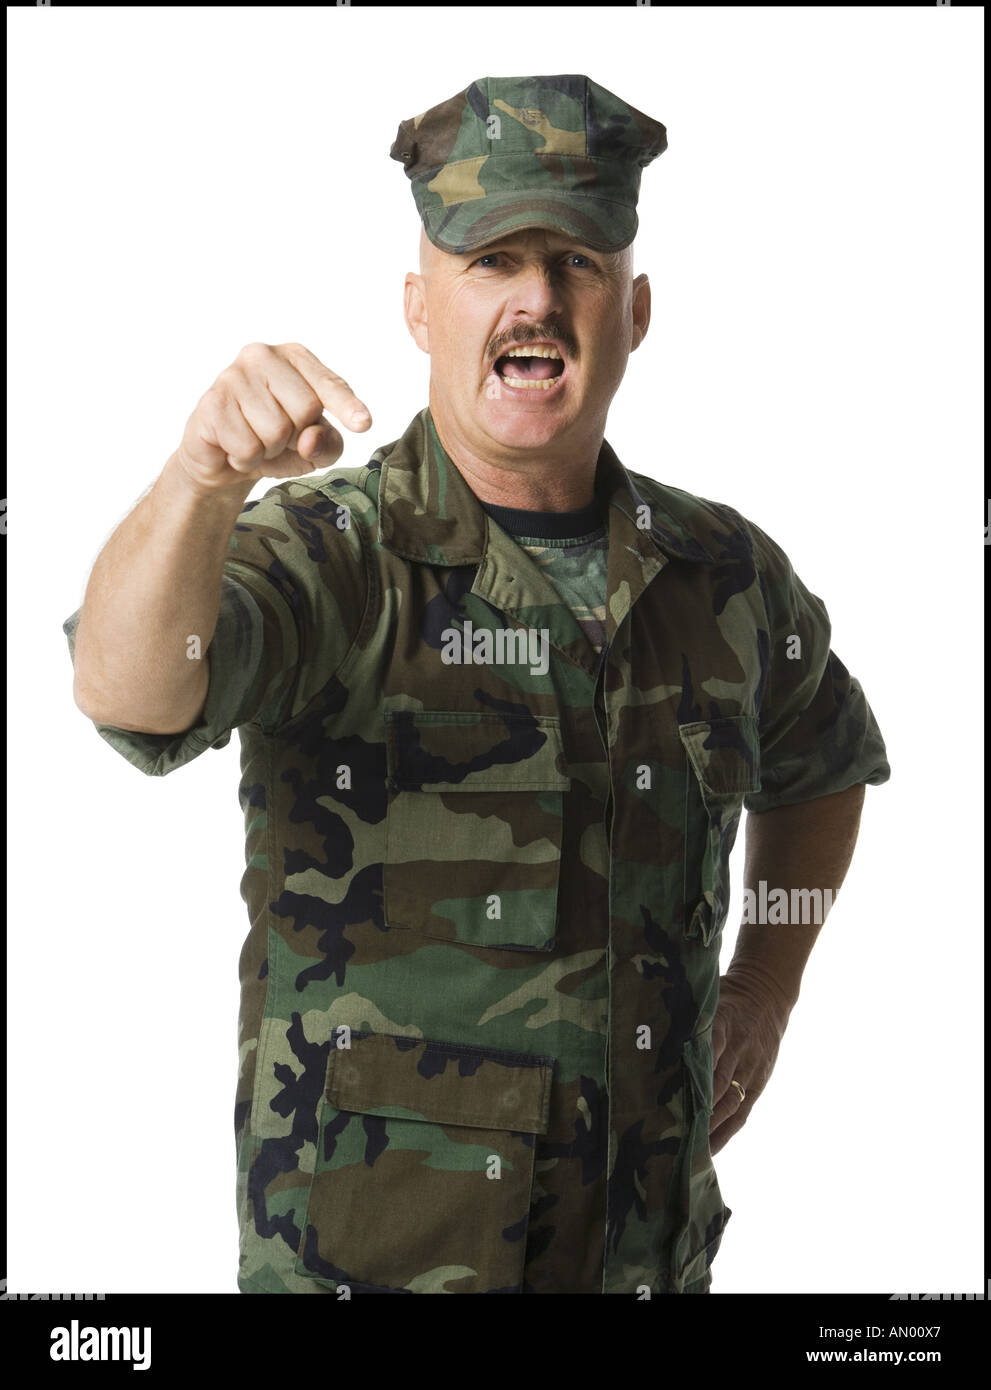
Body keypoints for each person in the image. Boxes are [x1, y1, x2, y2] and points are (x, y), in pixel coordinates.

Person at [63, 74, 890, 1295]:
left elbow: (825, 762)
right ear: (419, 306)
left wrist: (763, 984)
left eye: (578, 262)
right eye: (492, 259)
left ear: (635, 309)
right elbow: (129, 691)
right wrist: (198, 479)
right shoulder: (332, 552)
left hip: (648, 1260)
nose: (538, 298)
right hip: (377, 1261)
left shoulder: (719, 575)